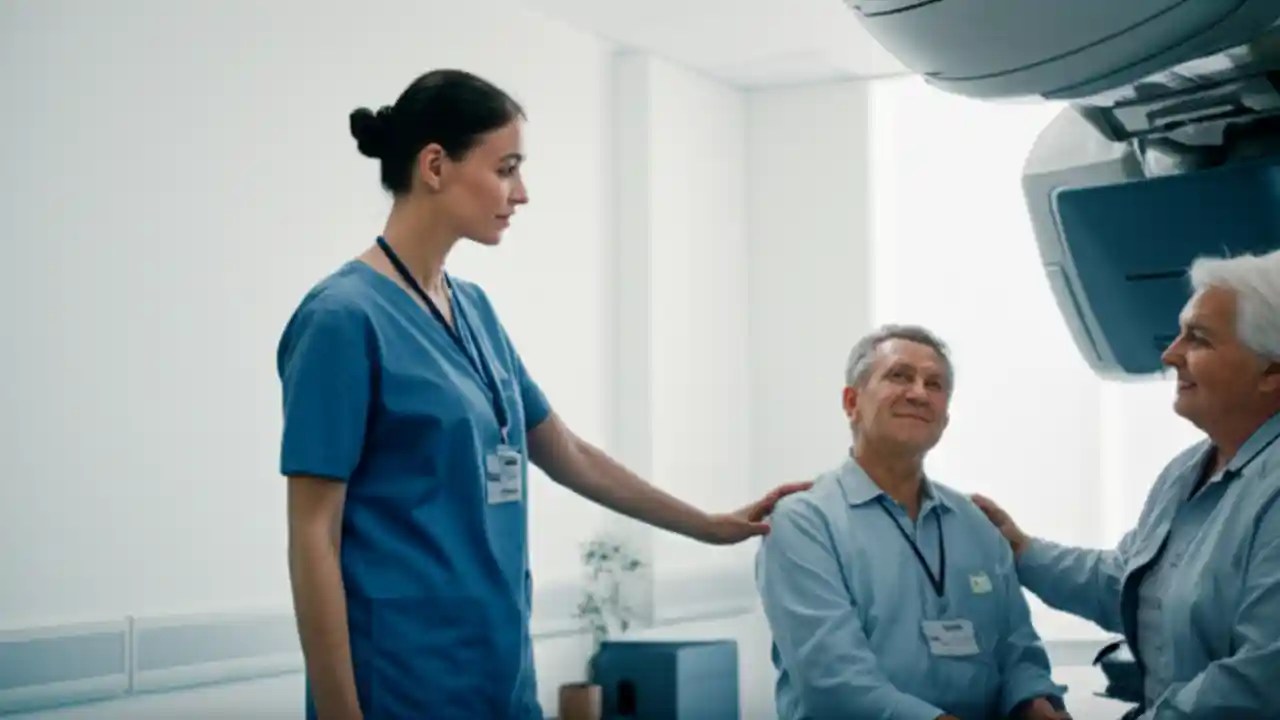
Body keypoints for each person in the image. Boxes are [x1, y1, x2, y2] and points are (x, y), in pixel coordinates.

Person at [276, 68, 809, 720]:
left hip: (500, 675)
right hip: (402, 681)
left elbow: (567, 452)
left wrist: (710, 525)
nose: (521, 193)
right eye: (506, 169)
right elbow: (313, 534)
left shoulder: (473, 309)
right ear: (435, 166)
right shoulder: (342, 319)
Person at [973, 249, 1280, 719]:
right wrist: (1022, 551)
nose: (1169, 354)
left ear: (1272, 372)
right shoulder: (1188, 470)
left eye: (1198, 339)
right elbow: (1131, 585)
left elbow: (1258, 682)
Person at [754, 324, 1069, 720]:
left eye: (934, 384)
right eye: (899, 376)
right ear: (852, 402)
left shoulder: (976, 523)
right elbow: (834, 683)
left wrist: (1035, 702)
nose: (919, 393)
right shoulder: (803, 523)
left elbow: (1018, 650)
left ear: (945, 417)